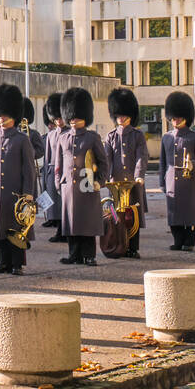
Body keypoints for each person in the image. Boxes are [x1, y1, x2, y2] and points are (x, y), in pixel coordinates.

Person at [0, 84, 37, 275]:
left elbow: (29, 169)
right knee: (0, 228)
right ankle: (3, 262)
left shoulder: (22, 139)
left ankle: (17, 263)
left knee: (16, 228)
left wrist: (28, 193)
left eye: (5, 115)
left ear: (13, 116)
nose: (1, 119)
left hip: (16, 192)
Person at [54, 86, 107, 266]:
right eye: (71, 116)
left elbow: (103, 162)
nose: (73, 119)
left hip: (87, 183)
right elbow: (58, 164)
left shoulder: (92, 137)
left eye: (77, 115)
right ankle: (74, 254)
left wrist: (100, 181)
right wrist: (57, 183)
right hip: (68, 185)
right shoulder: (63, 137)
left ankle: (89, 254)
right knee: (71, 222)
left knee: (87, 221)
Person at [159, 91, 195, 252]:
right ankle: (178, 240)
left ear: (186, 117)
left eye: (178, 117)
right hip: (172, 180)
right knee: (174, 214)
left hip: (190, 182)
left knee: (190, 214)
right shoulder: (166, 137)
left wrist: (193, 165)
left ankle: (189, 241)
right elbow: (163, 162)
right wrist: (162, 182)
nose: (175, 120)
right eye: (173, 117)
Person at [105, 86, 148, 258]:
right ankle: (119, 245)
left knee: (133, 217)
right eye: (118, 115)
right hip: (116, 184)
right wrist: (106, 177)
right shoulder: (111, 136)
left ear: (131, 116)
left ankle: (133, 247)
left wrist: (139, 175)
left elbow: (141, 157)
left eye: (124, 115)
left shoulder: (137, 136)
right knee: (117, 217)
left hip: (133, 184)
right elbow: (106, 158)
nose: (121, 118)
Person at [42, 96, 67, 239]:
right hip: (53, 171)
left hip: (65, 171)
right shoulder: (51, 135)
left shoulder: (69, 132)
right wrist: (46, 176)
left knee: (64, 204)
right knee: (54, 204)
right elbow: (47, 157)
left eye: (60, 117)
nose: (58, 120)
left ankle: (65, 230)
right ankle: (58, 230)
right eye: (56, 118)